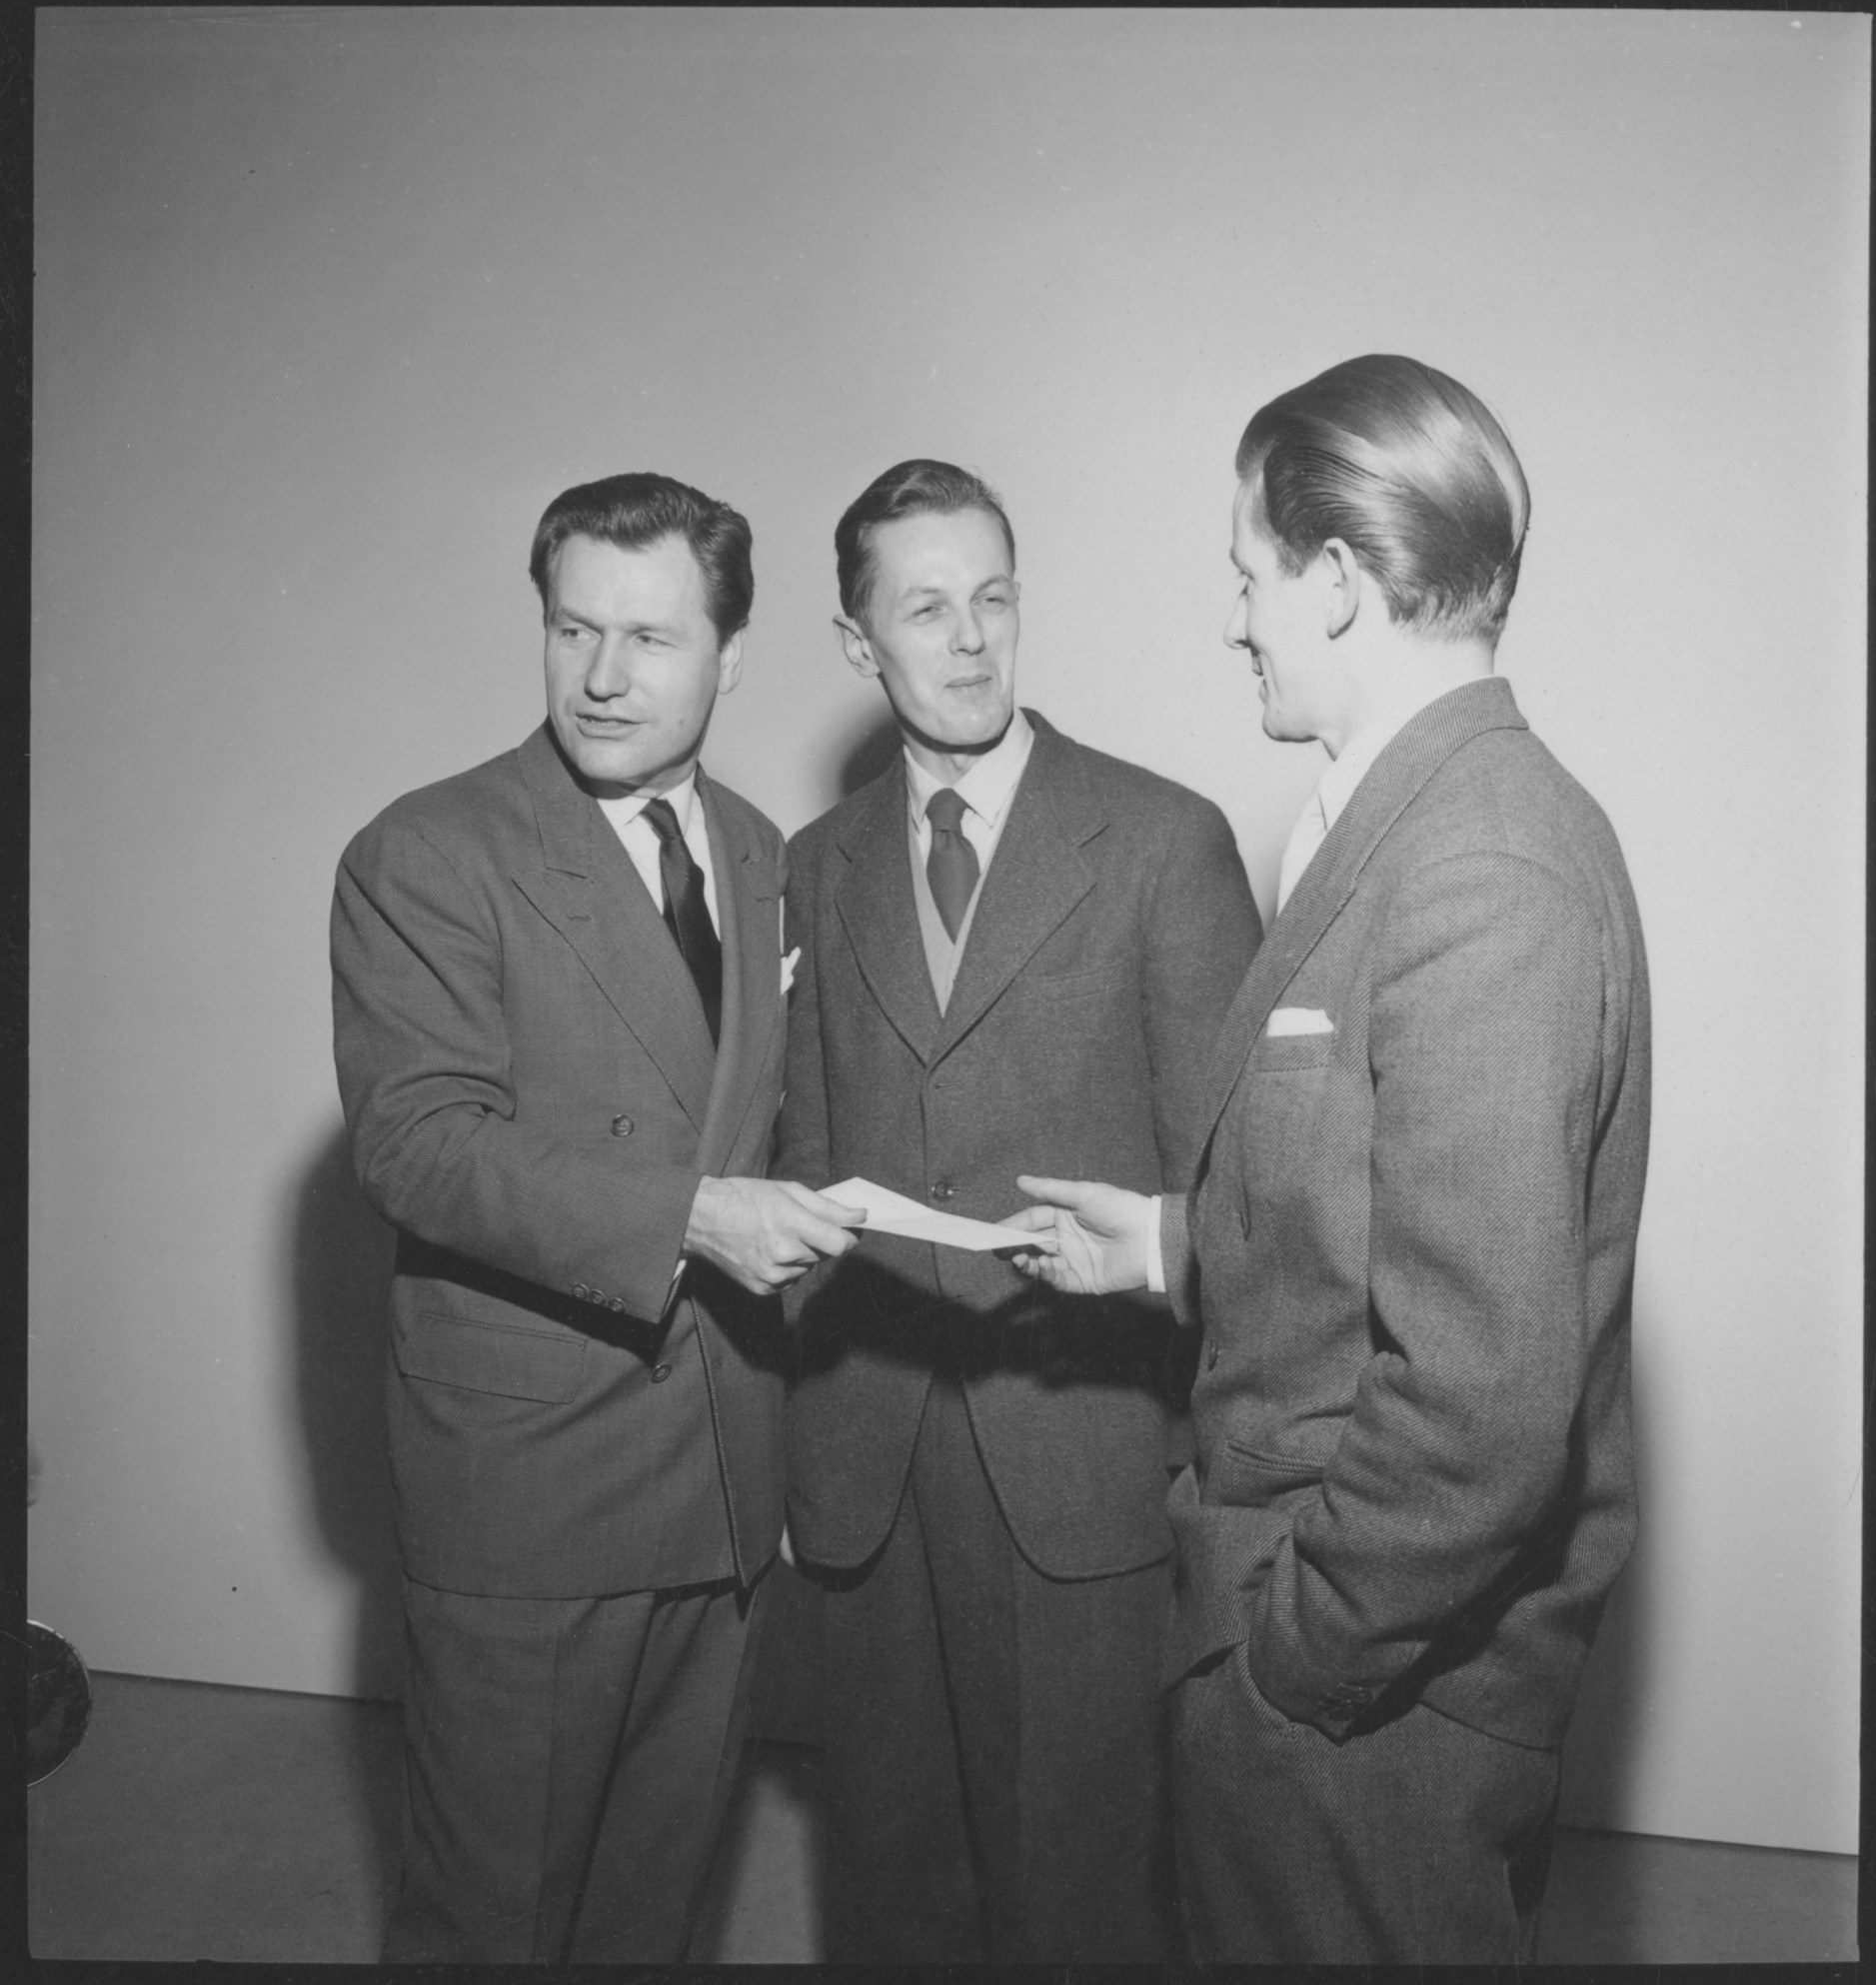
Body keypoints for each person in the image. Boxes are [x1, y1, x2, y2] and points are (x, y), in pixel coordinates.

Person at [1013, 356, 1651, 1965]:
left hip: (1373, 1712)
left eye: (1248, 576)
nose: (1232, 620)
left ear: (1339, 578)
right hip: (1352, 1681)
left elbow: (1482, 1400)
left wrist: (1290, 1663)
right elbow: (1373, 1209)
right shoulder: (1413, 820)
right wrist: (1166, 1244)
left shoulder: (1479, 863)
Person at [329, 472, 863, 1963]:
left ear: (731, 656)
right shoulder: (429, 850)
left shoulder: (761, 853)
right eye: (574, 631)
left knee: (655, 1914)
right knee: (492, 1923)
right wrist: (694, 1215)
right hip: (533, 1487)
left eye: (651, 637)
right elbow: (419, 1145)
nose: (604, 676)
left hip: (720, 1476)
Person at [775, 459, 1261, 1963]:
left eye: (992, 597)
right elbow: (807, 1159)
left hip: (1080, 1458)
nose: (972, 638)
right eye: (927, 608)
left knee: (1079, 1896)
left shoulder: (1161, 840)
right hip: (867, 1470)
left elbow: (1239, 1192)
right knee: (888, 1891)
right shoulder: (812, 866)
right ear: (856, 641)